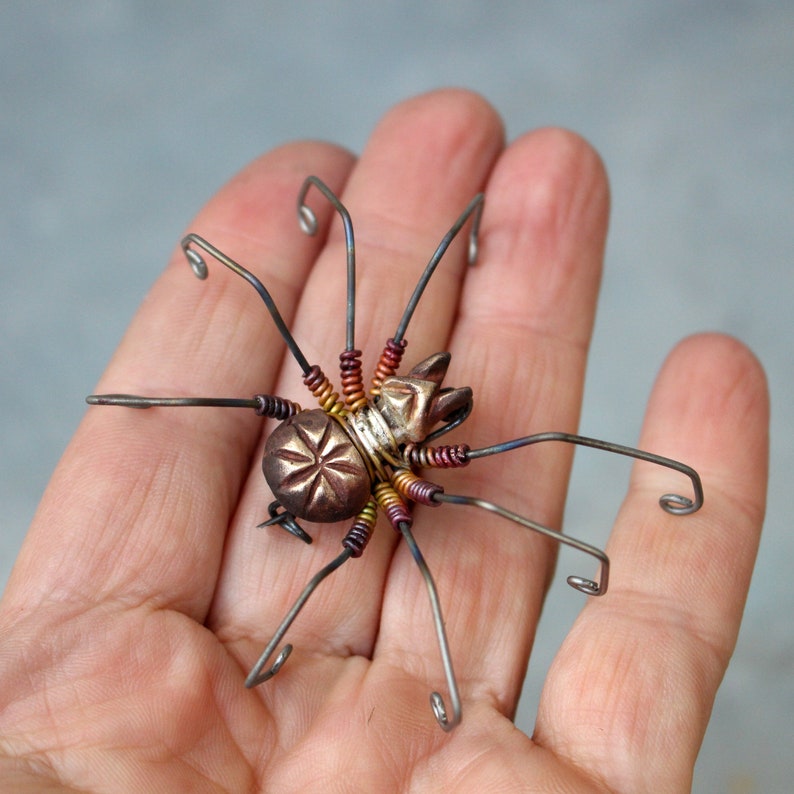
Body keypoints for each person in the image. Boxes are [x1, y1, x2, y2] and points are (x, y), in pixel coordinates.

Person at [0, 89, 768, 792]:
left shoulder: (368, 406)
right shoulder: (402, 478)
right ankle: (147, 408)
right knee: (468, 486)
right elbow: (411, 544)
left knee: (320, 361)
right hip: (349, 468)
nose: (423, 390)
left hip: (337, 446)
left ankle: (138, 400)